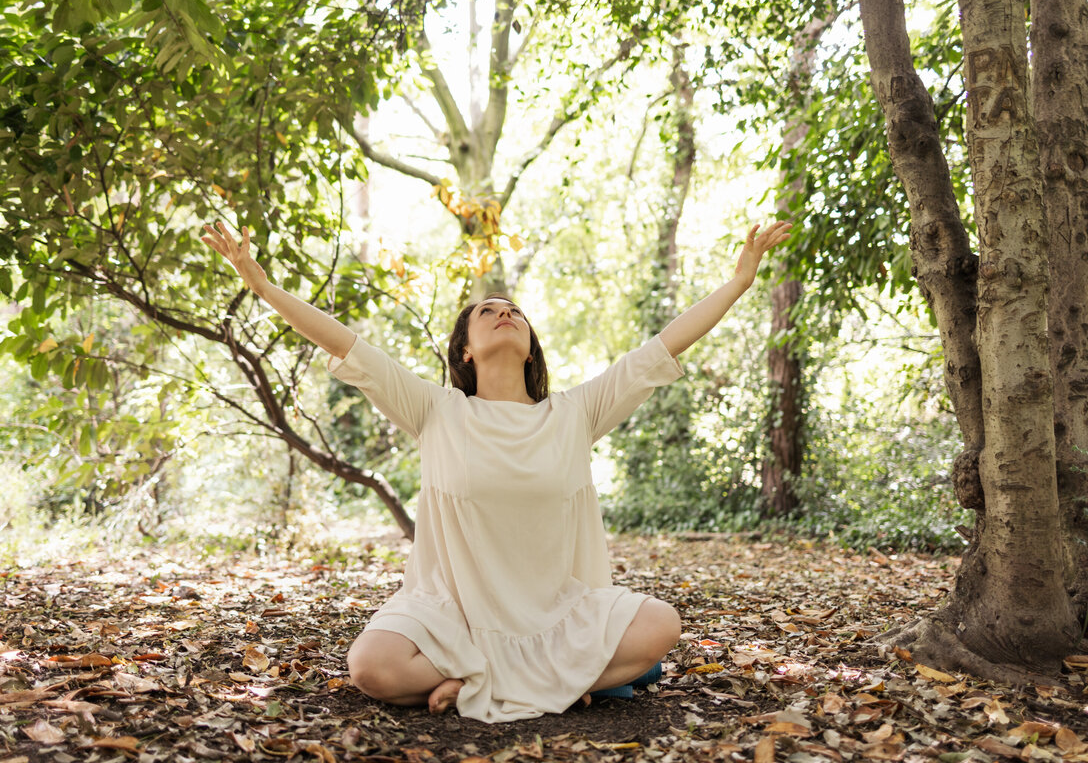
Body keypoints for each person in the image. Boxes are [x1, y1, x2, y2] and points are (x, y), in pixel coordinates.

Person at [201, 219, 791, 723]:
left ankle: (477, 685)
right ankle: (556, 684)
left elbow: (662, 348)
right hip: (452, 614)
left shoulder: (576, 412)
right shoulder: (435, 410)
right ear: (465, 349)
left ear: (531, 346)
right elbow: (346, 344)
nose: (504, 313)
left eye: (514, 312)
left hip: (553, 615)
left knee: (661, 624)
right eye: (488, 311)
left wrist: (739, 282)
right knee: (371, 667)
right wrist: (258, 282)